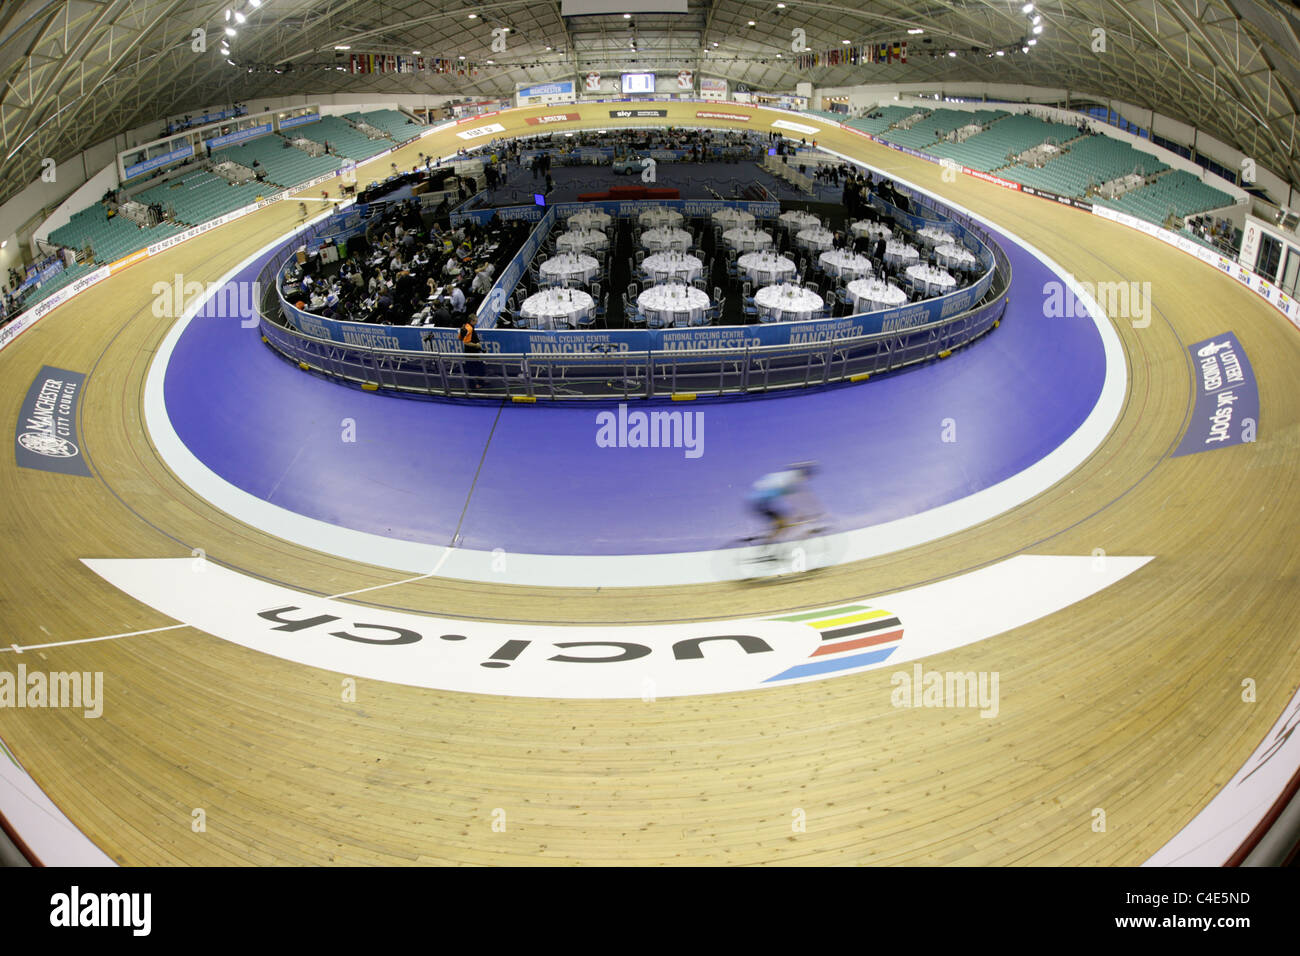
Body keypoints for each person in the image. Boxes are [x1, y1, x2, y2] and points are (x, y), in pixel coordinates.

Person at [747, 462, 818, 543]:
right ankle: (767, 545)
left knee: (783, 521)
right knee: (782, 523)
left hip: (758, 501)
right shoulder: (790, 480)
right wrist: (806, 513)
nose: (805, 478)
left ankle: (770, 542)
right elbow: (796, 500)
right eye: (806, 475)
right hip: (760, 503)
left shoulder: (785, 476)